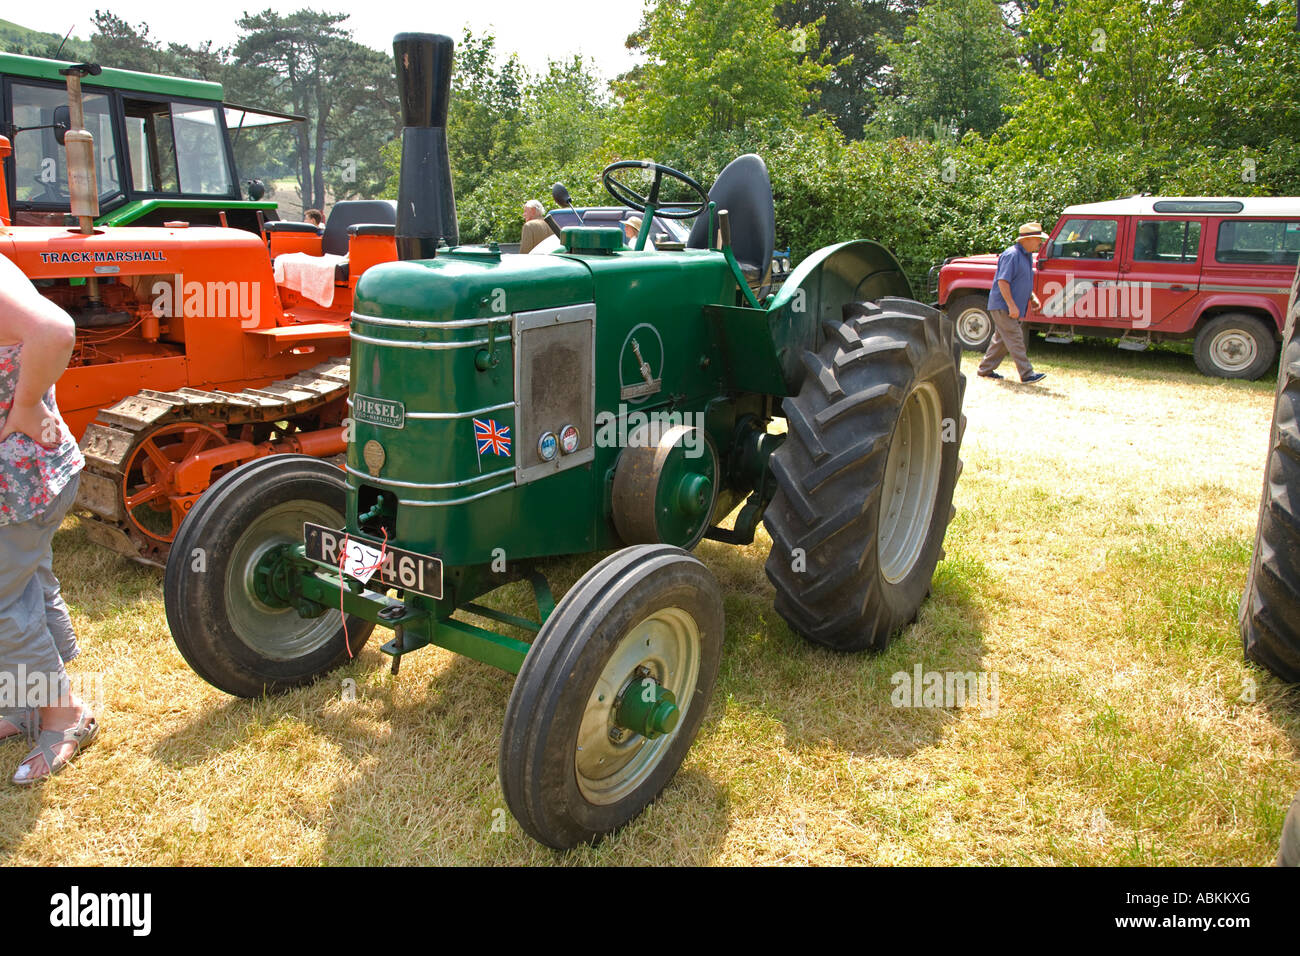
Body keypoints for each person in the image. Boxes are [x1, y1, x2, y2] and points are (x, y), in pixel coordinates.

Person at [0, 253, 98, 785]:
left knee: (2, 600)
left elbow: (55, 328)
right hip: (29, 479)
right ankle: (23, 704)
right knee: (24, 581)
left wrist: (26, 402)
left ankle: (64, 715)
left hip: (17, 485)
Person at [977, 222, 1049, 384]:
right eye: (1038, 240)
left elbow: (1021, 281)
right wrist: (1011, 305)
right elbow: (1003, 281)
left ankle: (985, 370)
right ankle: (1027, 374)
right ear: (1028, 239)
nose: (1040, 243)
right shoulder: (1012, 255)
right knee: (1015, 338)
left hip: (1008, 307)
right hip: (1003, 306)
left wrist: (1032, 297)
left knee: (1001, 341)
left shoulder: (1026, 256)